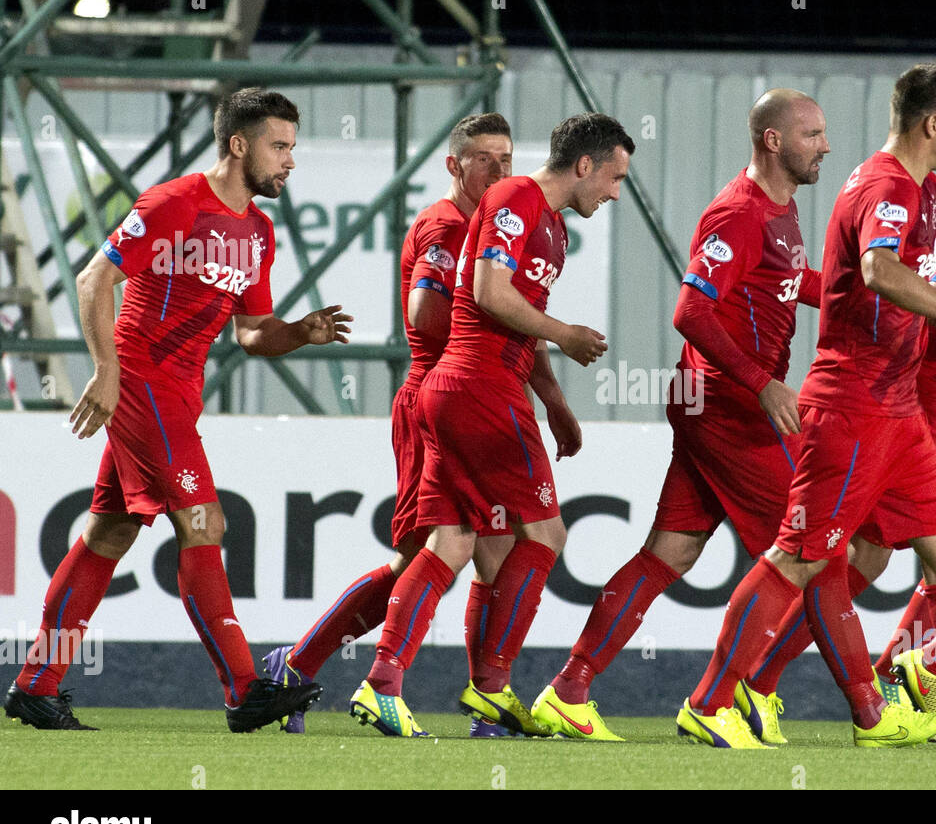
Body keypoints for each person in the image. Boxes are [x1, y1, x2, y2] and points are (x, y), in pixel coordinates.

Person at [678, 64, 936, 752]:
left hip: (900, 409)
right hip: (855, 404)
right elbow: (879, 270)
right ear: (934, 124)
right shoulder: (887, 186)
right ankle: (711, 698)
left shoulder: (921, 189)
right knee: (802, 556)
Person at [4, 88, 346, 732]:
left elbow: (253, 333)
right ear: (238, 144)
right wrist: (106, 370)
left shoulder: (259, 230)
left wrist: (299, 331)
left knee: (110, 530)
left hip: (178, 395)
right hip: (139, 379)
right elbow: (92, 280)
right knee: (203, 521)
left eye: (293, 148)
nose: (289, 162)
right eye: (279, 146)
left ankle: (35, 685)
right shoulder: (173, 203)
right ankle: (245, 689)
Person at [528, 89, 838, 742]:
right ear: (774, 141)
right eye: (812, 133)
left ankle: (571, 687)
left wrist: (867, 293)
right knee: (817, 556)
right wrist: (761, 385)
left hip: (712, 406)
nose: (826, 145)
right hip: (731, 410)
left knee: (669, 552)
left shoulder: (781, 211)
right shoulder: (738, 212)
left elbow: (793, 281)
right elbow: (690, 312)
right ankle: (738, 696)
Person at [347, 113, 633, 738]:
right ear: (584, 165)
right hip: (480, 389)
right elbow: (486, 294)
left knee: (451, 544)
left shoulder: (549, 224)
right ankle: (493, 684)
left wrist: (555, 403)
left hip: (470, 390)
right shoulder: (515, 198)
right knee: (547, 535)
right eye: (613, 178)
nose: (615, 193)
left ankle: (384, 683)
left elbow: (519, 317)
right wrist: (568, 335)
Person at [741, 137, 936, 743]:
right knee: (830, 556)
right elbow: (893, 283)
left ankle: (934, 683)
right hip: (897, 404)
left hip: (919, 411)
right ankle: (752, 685)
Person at [262, 113, 528, 737]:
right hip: (440, 401)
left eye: (507, 158)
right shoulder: (446, 225)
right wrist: (498, 322)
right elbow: (425, 314)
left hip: (476, 402)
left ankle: (298, 670)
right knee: (454, 547)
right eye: (485, 158)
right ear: (454, 165)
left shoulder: (492, 229)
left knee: (481, 553)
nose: (499, 170)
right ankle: (358, 680)